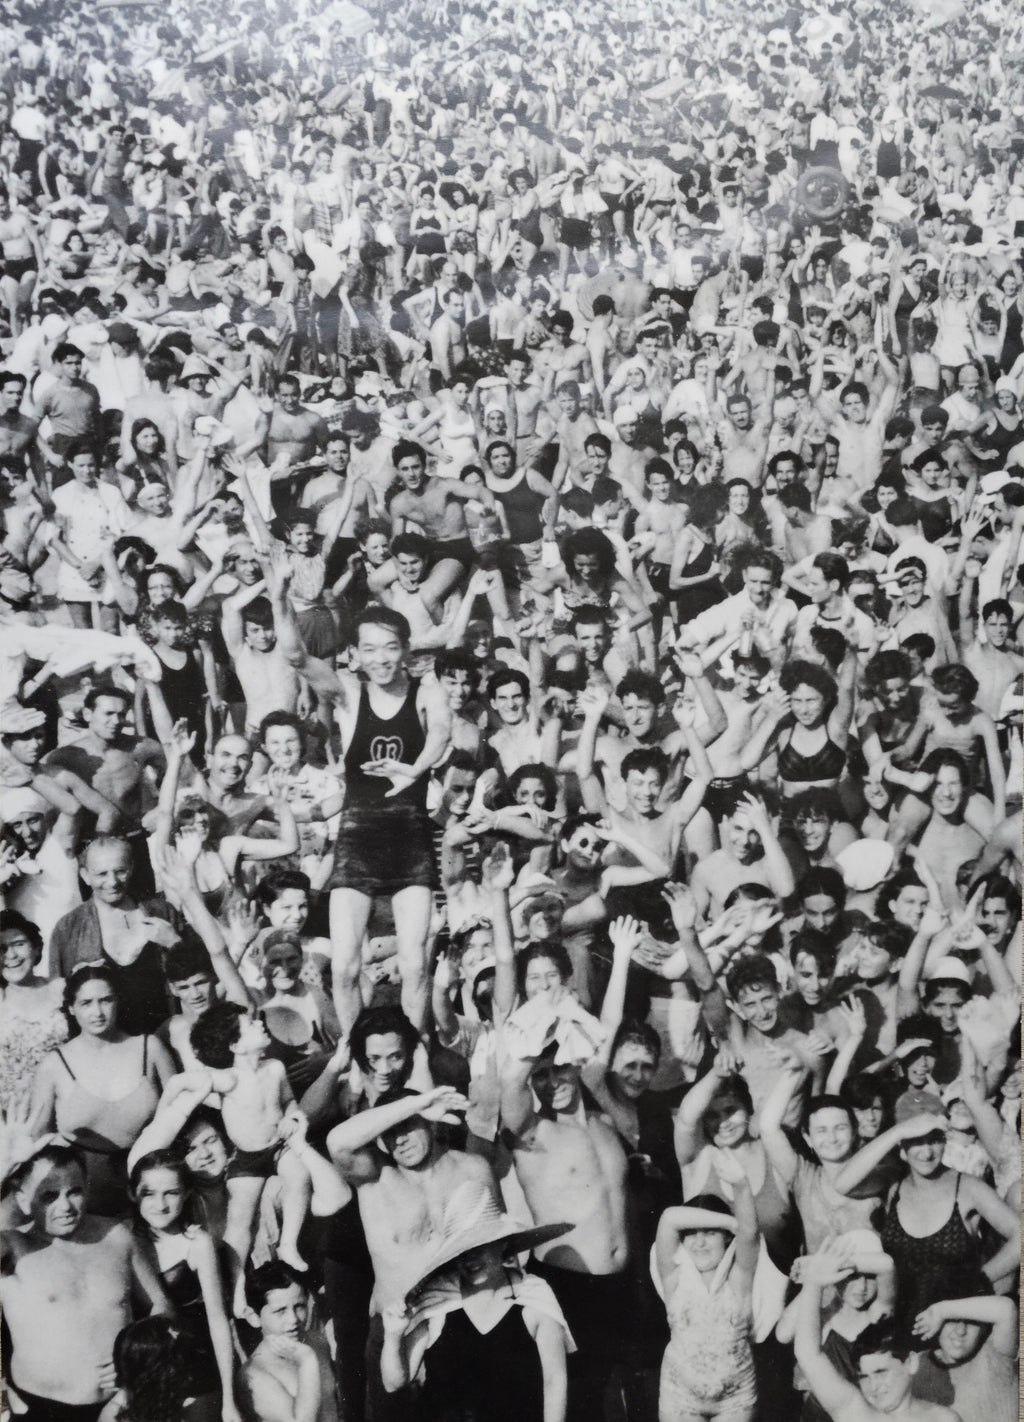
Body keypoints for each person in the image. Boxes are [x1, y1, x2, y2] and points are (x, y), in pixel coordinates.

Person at [1, 1140, 170, 1421]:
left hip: (121, 1404)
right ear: (22, 1200)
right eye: (49, 1196)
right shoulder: (14, 1249)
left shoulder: (116, 1236)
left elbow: (161, 1305)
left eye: (74, 1191)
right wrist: (4, 1168)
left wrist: (138, 1358)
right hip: (41, 1410)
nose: (65, 1206)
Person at [381, 1179, 574, 1422]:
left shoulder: (533, 1298)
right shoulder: (438, 1303)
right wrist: (393, 1336)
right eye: (462, 1251)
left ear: (502, 1244)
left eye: (479, 1246)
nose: (471, 1258)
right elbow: (393, 1383)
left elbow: (555, 1381)